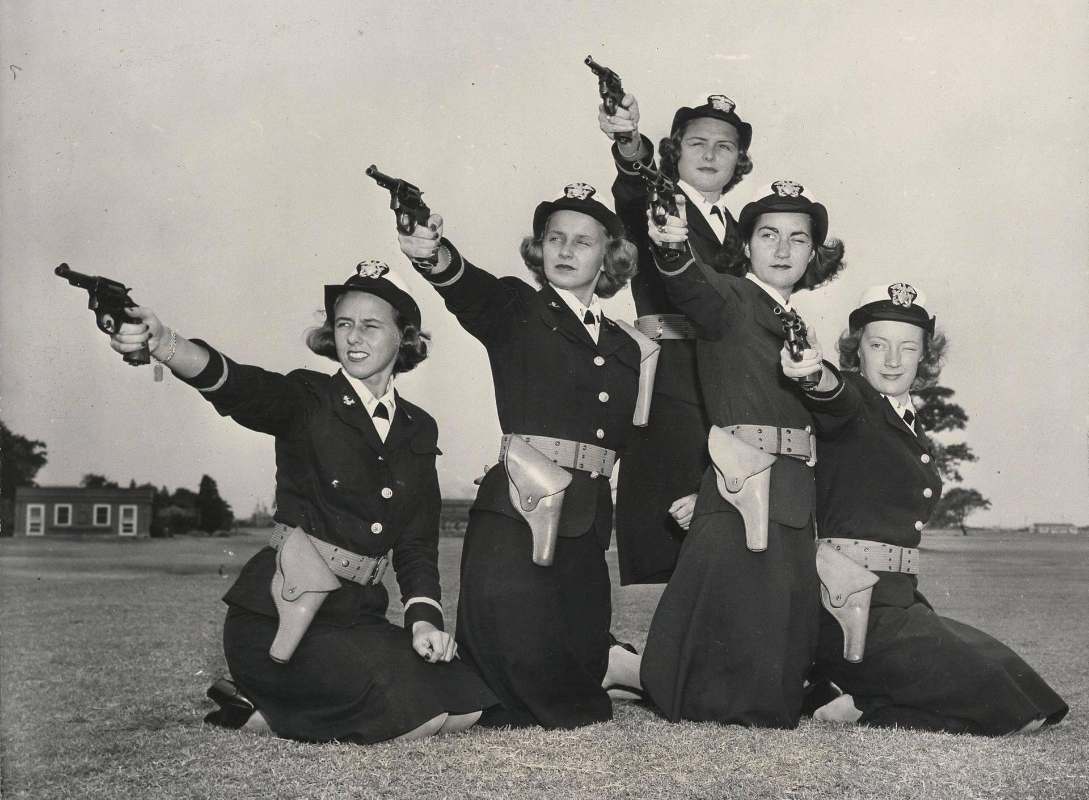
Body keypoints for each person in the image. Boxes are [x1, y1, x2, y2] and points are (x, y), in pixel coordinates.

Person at [104, 261, 496, 742]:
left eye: (371, 325)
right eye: (344, 324)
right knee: (423, 716)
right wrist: (165, 343)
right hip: (277, 620)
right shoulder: (308, 397)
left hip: (356, 619)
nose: (353, 336)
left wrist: (423, 622)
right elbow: (239, 386)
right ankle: (264, 709)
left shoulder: (418, 427)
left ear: (405, 338)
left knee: (466, 703)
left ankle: (262, 709)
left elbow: (415, 543)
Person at [397, 182, 646, 728]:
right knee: (516, 682)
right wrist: (429, 252)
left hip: (588, 516)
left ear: (609, 256)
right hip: (518, 509)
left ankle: (609, 665)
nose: (564, 249)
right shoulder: (516, 307)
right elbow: (465, 286)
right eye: (554, 237)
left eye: (583, 241)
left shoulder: (628, 345)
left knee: (577, 674)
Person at [802, 283, 1069, 735]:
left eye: (907, 347)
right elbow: (830, 392)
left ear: (924, 355)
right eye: (877, 344)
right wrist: (812, 372)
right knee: (1012, 712)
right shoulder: (852, 401)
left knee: (1031, 695)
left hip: (900, 602)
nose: (891, 360)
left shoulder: (907, 421)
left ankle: (861, 700)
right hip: (848, 611)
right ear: (856, 350)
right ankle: (864, 705)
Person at [637, 180, 848, 727]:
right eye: (768, 235)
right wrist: (671, 248)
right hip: (744, 486)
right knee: (729, 628)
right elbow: (690, 284)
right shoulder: (731, 298)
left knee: (780, 626)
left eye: (798, 239)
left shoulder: (790, 317)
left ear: (812, 254)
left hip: (791, 489)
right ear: (747, 244)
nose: (782, 249)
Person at [599, 93, 752, 587]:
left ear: (738, 160)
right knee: (677, 547)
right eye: (698, 143)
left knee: (732, 548)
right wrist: (626, 140)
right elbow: (633, 185)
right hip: (673, 382)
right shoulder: (660, 199)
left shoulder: (745, 230)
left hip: (730, 385)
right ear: (675, 152)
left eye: (724, 146)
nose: (710, 155)